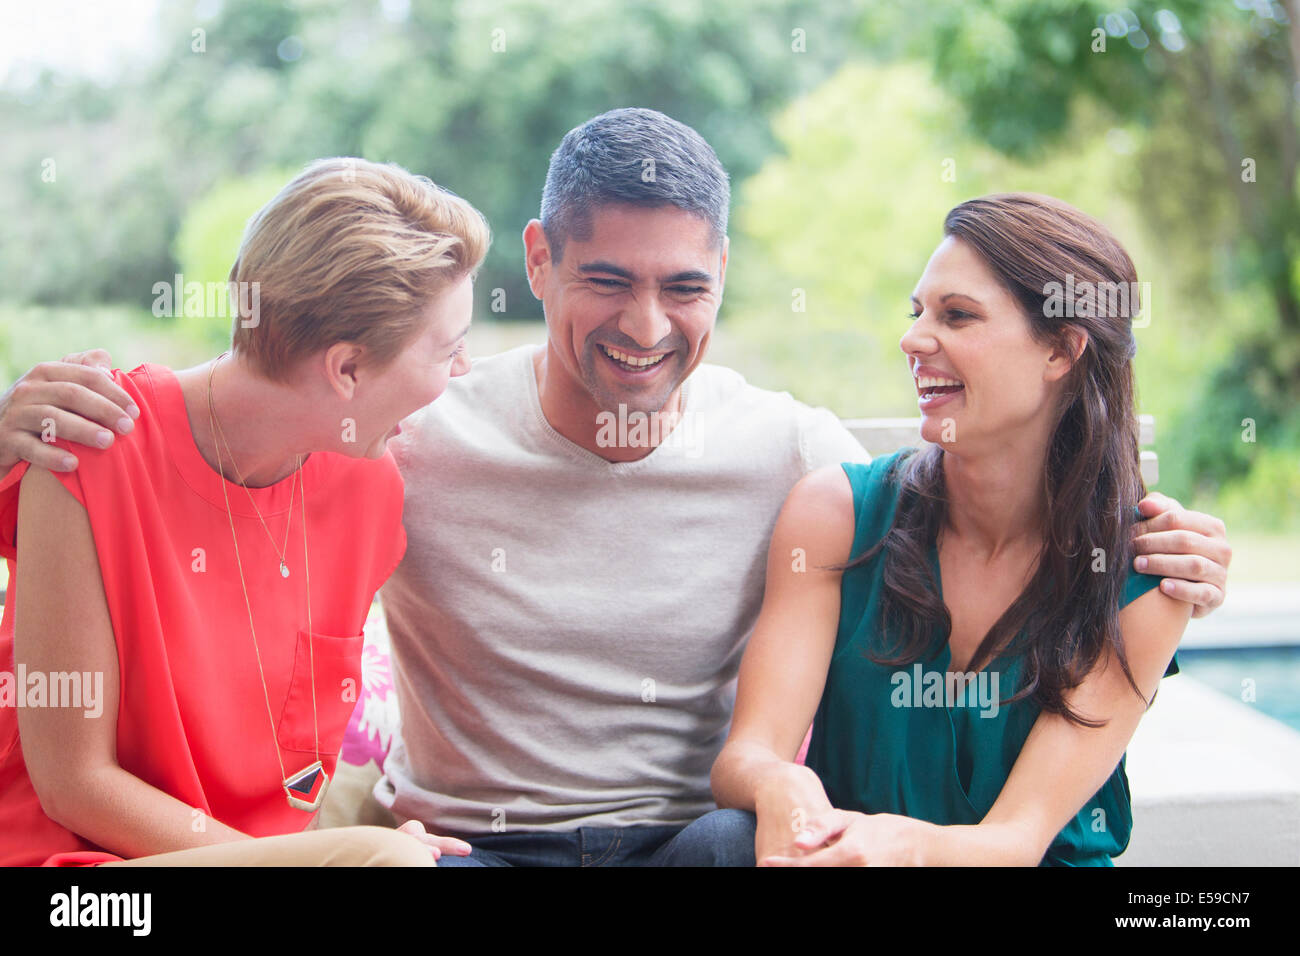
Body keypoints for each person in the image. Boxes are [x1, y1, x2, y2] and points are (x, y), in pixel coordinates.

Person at [0, 111, 1233, 867]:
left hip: (685, 843)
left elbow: (954, 469)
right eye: (605, 279)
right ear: (537, 262)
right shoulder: (401, 442)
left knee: (724, 845)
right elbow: (220, 434)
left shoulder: (788, 453)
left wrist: (1157, 536)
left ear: (723, 277)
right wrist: (16, 429)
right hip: (471, 844)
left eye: (685, 287)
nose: (647, 324)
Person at [0, 157, 488, 866]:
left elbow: (290, 789)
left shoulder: (369, 489)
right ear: (347, 369)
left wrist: (322, 856)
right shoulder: (93, 445)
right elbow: (76, 786)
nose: (465, 369)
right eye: (449, 350)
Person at [710, 193, 1195, 866]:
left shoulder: (1144, 576)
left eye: (957, 315)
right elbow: (745, 755)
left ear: (1061, 349)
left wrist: (898, 846)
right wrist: (779, 782)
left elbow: (1018, 839)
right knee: (718, 844)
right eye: (917, 313)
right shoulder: (836, 516)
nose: (913, 339)